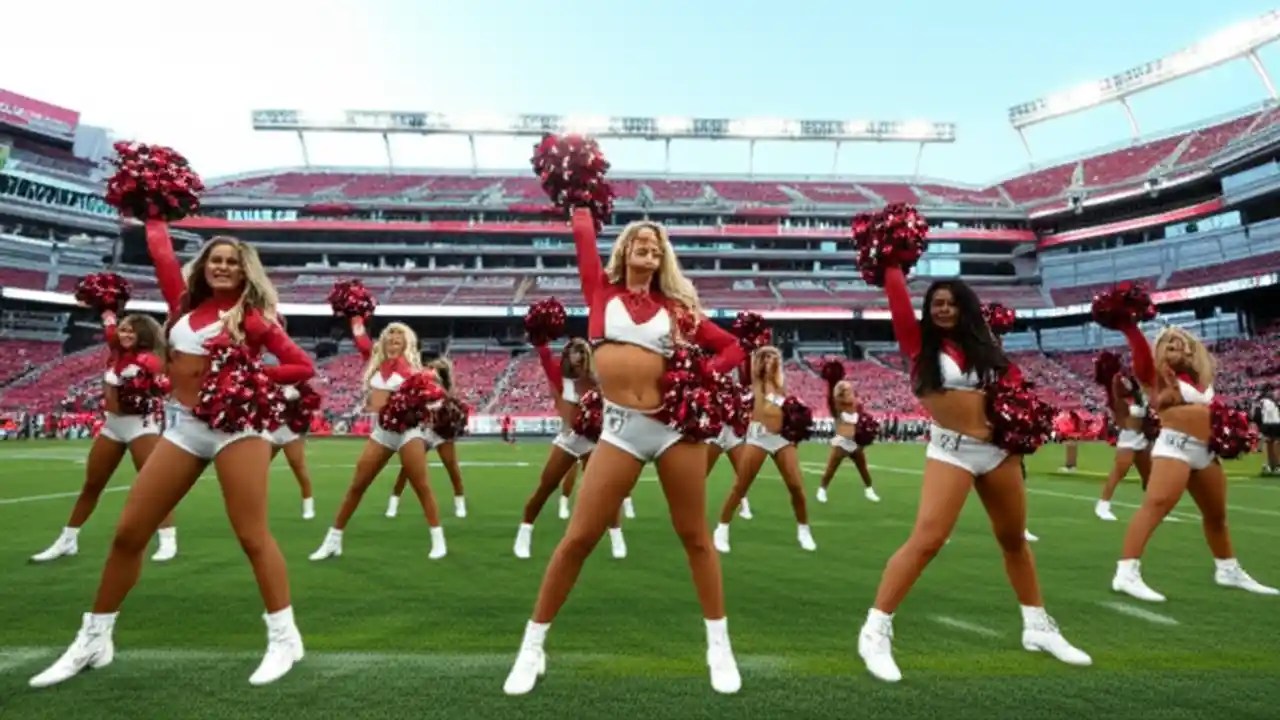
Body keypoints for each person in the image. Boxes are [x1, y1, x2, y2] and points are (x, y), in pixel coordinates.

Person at [30, 235, 315, 688]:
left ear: (245, 272)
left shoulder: (254, 318)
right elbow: (162, 251)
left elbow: (301, 366)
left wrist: (247, 375)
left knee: (252, 535)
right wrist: (153, 210)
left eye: (231, 262)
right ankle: (95, 638)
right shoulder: (182, 308)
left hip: (237, 429)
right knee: (128, 533)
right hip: (184, 428)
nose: (222, 267)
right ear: (203, 267)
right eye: (215, 260)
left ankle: (284, 637)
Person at [502, 210, 746, 696]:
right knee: (579, 538)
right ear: (625, 249)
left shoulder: (678, 308)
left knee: (695, 536)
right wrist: (579, 198)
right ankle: (532, 646)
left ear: (662, 258)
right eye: (640, 241)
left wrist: (699, 377)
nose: (648, 248)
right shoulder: (600, 290)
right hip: (619, 428)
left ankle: (719, 646)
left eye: (656, 245)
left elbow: (733, 349)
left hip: (675, 430)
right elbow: (582, 236)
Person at [856, 265, 1090, 683]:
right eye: (936, 304)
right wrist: (892, 262)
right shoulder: (918, 345)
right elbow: (897, 299)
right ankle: (875, 630)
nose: (943, 309)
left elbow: (1015, 393)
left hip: (999, 453)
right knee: (928, 540)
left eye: (951, 303)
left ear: (966, 309)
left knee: (1014, 540)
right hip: (952, 452)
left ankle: (1037, 626)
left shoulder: (988, 351)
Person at [1110, 325, 1277, 601]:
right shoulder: (1157, 376)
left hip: (1204, 451)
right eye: (1170, 344)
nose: (1178, 347)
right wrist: (1130, 329)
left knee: (1217, 514)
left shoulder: (1199, 377)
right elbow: (1140, 357)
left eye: (1182, 342)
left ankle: (1227, 569)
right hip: (1175, 446)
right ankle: (1126, 572)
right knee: (1156, 506)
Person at [31, 311, 178, 564]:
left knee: (153, 487)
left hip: (141, 426)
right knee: (92, 485)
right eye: (123, 330)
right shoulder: (116, 354)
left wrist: (149, 380)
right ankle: (68, 539)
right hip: (112, 426)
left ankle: (167, 539)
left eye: (132, 331)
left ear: (143, 334)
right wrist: (109, 315)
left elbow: (163, 383)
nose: (125, 334)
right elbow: (112, 334)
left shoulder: (150, 360)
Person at [310, 318, 447, 561]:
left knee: (421, 486)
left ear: (406, 344)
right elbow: (362, 341)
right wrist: (356, 319)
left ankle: (438, 540)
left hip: (408, 431)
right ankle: (333, 540)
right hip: (383, 430)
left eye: (398, 340)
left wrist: (426, 405)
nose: (393, 343)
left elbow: (435, 398)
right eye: (390, 339)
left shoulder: (414, 372)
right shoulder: (375, 364)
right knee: (357, 485)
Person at [513, 338, 628, 559]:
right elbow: (544, 355)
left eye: (583, 353)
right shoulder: (560, 377)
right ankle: (525, 532)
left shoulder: (597, 380)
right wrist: (540, 335)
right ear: (567, 356)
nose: (579, 357)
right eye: (575, 353)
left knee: (605, 491)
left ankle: (616, 536)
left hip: (594, 441)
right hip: (569, 438)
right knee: (546, 486)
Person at [713, 345, 816, 553]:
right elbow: (743, 355)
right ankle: (722, 528)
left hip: (781, 438)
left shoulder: (781, 384)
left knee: (796, 486)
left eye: (772, 357)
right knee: (741, 486)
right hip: (759, 436)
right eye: (765, 357)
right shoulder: (753, 380)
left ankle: (803, 530)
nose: (769, 360)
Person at [385, 358, 468, 519]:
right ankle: (393, 503)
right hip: (422, 431)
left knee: (452, 467)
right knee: (408, 468)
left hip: (441, 433)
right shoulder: (420, 387)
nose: (428, 372)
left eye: (432, 370)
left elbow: (454, 411)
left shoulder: (446, 393)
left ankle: (460, 503)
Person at [1095, 372, 1154, 521]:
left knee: (1149, 475)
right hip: (1128, 439)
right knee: (1119, 472)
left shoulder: (1140, 396)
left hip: (1142, 439)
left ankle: (1153, 508)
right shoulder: (1119, 402)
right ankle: (1103, 505)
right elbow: (1127, 423)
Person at [815, 379, 880, 504]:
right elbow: (830, 400)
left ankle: (869, 490)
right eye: (848, 391)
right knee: (831, 468)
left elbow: (863, 420)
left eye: (851, 390)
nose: (851, 393)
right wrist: (830, 384)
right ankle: (822, 490)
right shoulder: (837, 406)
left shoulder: (857, 406)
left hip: (855, 442)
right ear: (842, 394)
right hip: (842, 442)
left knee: (863, 468)